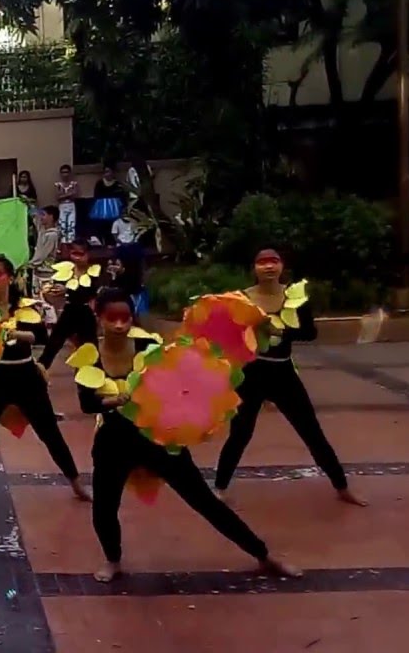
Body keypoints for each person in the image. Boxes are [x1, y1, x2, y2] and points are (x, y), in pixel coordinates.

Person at [77, 289, 301, 583]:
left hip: (158, 437)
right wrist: (115, 401)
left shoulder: (148, 344)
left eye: (125, 318)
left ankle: (263, 555)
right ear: (99, 318)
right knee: (105, 507)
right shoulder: (89, 354)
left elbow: (183, 373)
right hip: (113, 442)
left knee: (204, 501)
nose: (119, 325)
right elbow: (87, 402)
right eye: (112, 319)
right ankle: (113, 559)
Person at [213, 248, 367, 507]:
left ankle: (341, 486)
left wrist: (284, 332)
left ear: (282, 267)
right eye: (262, 262)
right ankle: (219, 487)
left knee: (311, 431)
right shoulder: (242, 299)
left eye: (274, 261)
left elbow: (310, 333)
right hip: (252, 373)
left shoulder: (295, 297)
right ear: (254, 268)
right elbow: (227, 334)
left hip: (283, 373)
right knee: (240, 433)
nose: (268, 267)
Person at [0, 254, 89, 502]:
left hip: (25, 375)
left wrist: (15, 333)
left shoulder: (25, 306)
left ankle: (76, 482)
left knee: (49, 431)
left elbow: (41, 338)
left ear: (9, 278)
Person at [39, 242, 102, 370]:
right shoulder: (66, 269)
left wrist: (67, 290)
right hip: (69, 310)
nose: (77, 257)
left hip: (85, 313)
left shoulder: (95, 271)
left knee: (90, 346)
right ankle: (39, 371)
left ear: (88, 255)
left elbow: (90, 292)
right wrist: (52, 290)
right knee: (53, 343)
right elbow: (57, 286)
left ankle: (96, 377)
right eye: (74, 253)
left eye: (81, 254)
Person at [27, 205, 60, 297]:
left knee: (46, 301)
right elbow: (35, 217)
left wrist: (30, 264)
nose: (41, 217)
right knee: (37, 299)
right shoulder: (42, 231)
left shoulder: (52, 235)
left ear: (51, 217)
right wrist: (29, 205)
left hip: (46, 273)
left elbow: (42, 254)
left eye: (44, 215)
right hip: (37, 272)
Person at [90, 165, 125, 242]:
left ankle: (112, 241)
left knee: (113, 225)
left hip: (114, 208)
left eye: (109, 171)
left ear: (113, 173)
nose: (107, 174)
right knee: (102, 225)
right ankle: (102, 241)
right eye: (105, 172)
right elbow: (96, 196)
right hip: (102, 209)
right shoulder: (99, 183)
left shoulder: (117, 184)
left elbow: (121, 196)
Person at [55, 164, 79, 243]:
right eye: (63, 172)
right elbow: (58, 197)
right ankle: (63, 243)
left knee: (71, 224)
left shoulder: (74, 184)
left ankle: (71, 242)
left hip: (71, 205)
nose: (65, 174)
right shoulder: (58, 185)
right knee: (62, 224)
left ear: (70, 173)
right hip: (62, 206)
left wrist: (64, 195)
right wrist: (69, 194)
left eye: (66, 172)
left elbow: (74, 195)